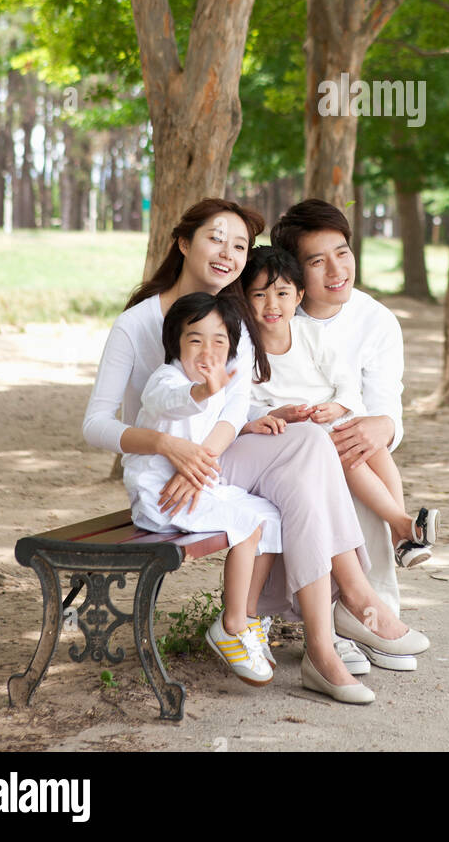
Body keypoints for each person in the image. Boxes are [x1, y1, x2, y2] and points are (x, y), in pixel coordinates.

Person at [83, 196, 429, 704]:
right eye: (215, 239)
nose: (227, 253)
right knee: (308, 458)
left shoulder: (235, 318)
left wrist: (256, 427)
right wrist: (172, 447)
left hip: (216, 459)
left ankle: (329, 633)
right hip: (169, 469)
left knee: (310, 441)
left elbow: (233, 407)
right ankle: (338, 624)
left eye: (239, 245)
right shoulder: (136, 324)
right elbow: (95, 424)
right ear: (183, 243)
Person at [240, 245, 439, 567]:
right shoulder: (245, 348)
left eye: (282, 293)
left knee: (373, 448)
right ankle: (402, 528)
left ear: (299, 295)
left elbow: (347, 383)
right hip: (293, 435)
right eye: (259, 295)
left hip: (330, 415)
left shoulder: (310, 335)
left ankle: (401, 534)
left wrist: (338, 406)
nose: (272, 305)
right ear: (244, 299)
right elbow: (244, 405)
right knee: (348, 457)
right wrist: (274, 414)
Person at [123, 290, 283, 685]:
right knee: (247, 525)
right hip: (162, 498)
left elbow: (213, 424)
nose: (207, 351)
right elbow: (175, 403)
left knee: (269, 515)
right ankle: (231, 625)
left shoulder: (219, 382)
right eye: (195, 339)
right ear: (175, 343)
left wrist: (244, 423)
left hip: (197, 490)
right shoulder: (169, 379)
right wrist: (203, 391)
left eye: (219, 341)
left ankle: (246, 615)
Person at [270, 199, 409, 643]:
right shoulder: (276, 316)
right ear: (295, 272)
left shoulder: (376, 320)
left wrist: (382, 426)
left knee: (360, 449)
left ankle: (375, 607)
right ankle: (334, 619)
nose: (336, 270)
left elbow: (387, 403)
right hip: (288, 443)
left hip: (351, 436)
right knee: (332, 459)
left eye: (342, 252)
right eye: (317, 261)